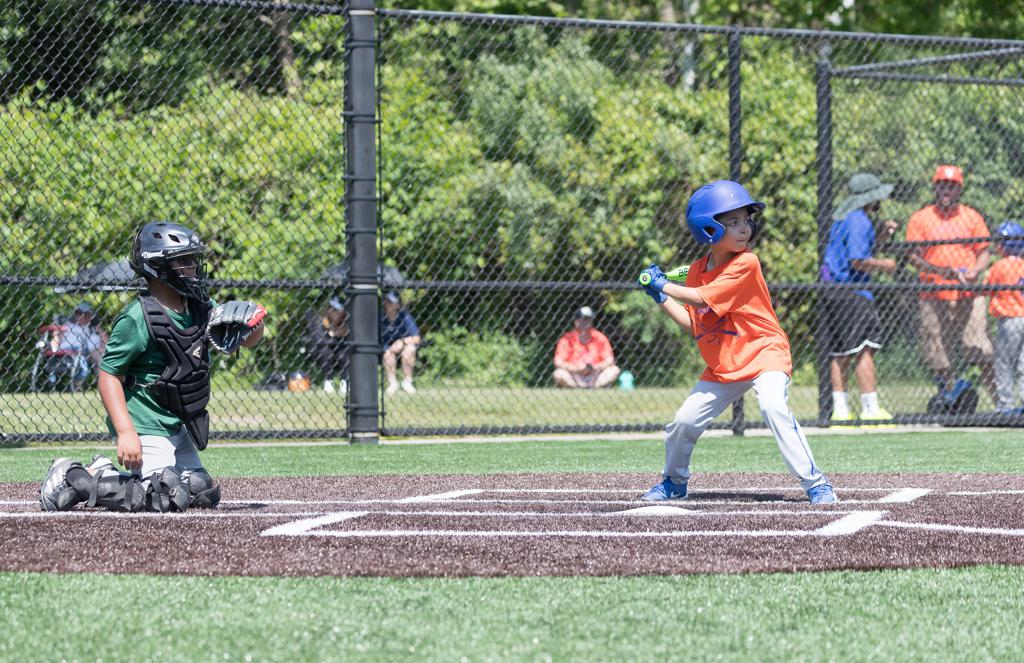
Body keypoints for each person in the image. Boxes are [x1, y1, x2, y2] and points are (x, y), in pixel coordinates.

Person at [38, 221, 265, 513]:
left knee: (201, 492)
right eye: (183, 261)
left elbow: (245, 340)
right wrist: (126, 432)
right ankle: (75, 477)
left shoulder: (199, 306)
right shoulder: (137, 319)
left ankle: (102, 472)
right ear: (159, 267)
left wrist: (253, 326)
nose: (193, 268)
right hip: (144, 422)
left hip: (173, 422)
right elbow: (108, 377)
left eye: (193, 260)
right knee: (162, 496)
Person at [637, 179, 836, 504]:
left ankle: (816, 483)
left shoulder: (747, 263)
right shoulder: (697, 272)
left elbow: (700, 299)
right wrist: (661, 296)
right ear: (707, 229)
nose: (744, 228)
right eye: (732, 222)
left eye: (746, 220)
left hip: (764, 353)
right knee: (683, 422)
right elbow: (694, 323)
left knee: (773, 407)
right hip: (724, 365)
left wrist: (662, 283)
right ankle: (674, 482)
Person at [906, 164, 996, 404]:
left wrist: (975, 271)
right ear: (935, 187)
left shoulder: (971, 216)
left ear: (959, 189)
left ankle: (1001, 402)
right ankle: (951, 393)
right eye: (943, 185)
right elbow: (913, 257)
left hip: (968, 291)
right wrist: (942, 272)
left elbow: (984, 251)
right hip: (933, 293)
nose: (947, 190)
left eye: (952, 186)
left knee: (979, 345)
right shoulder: (921, 218)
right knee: (935, 347)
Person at [821, 173, 899, 421]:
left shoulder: (844, 219)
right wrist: (886, 265)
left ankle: (840, 412)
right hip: (853, 292)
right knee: (865, 348)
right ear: (870, 198)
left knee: (841, 351)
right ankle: (870, 409)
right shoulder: (859, 220)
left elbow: (856, 252)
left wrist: (882, 236)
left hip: (834, 291)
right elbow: (857, 261)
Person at [983, 221, 1024, 412]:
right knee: (1023, 363)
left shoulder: (999, 266)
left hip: (1009, 319)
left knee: (1004, 362)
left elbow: (986, 288)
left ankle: (1005, 404)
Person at [552, 306, 621, 388]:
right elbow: (558, 362)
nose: (585, 322)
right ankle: (577, 386)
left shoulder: (599, 337)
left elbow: (610, 360)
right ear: (576, 321)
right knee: (559, 374)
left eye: (588, 319)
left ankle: (594, 386)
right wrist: (576, 368)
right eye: (582, 319)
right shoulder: (567, 339)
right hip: (574, 374)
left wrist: (595, 367)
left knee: (614, 370)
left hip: (595, 374)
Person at [57, 301, 109, 391]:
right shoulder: (68, 325)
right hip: (66, 350)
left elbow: (107, 342)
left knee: (101, 354)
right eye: (79, 313)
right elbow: (57, 337)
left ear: (90, 316)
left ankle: (104, 386)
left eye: (86, 314)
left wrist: (99, 329)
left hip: (83, 351)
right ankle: (75, 387)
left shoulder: (91, 329)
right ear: (75, 314)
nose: (82, 316)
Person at [305, 297, 349, 394]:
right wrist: (336, 338)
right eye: (333, 310)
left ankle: (345, 381)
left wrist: (341, 335)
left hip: (340, 351)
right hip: (324, 352)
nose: (335, 313)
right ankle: (328, 381)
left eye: (338, 311)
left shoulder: (346, 324)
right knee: (326, 352)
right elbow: (319, 341)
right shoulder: (320, 321)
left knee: (344, 353)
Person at [381, 291, 420, 395]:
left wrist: (402, 342)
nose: (388, 304)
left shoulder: (404, 316)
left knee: (410, 350)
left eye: (391, 302)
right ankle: (392, 383)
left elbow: (416, 338)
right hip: (388, 346)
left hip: (403, 345)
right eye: (387, 301)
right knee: (387, 353)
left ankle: (407, 382)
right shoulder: (381, 317)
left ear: (398, 305)